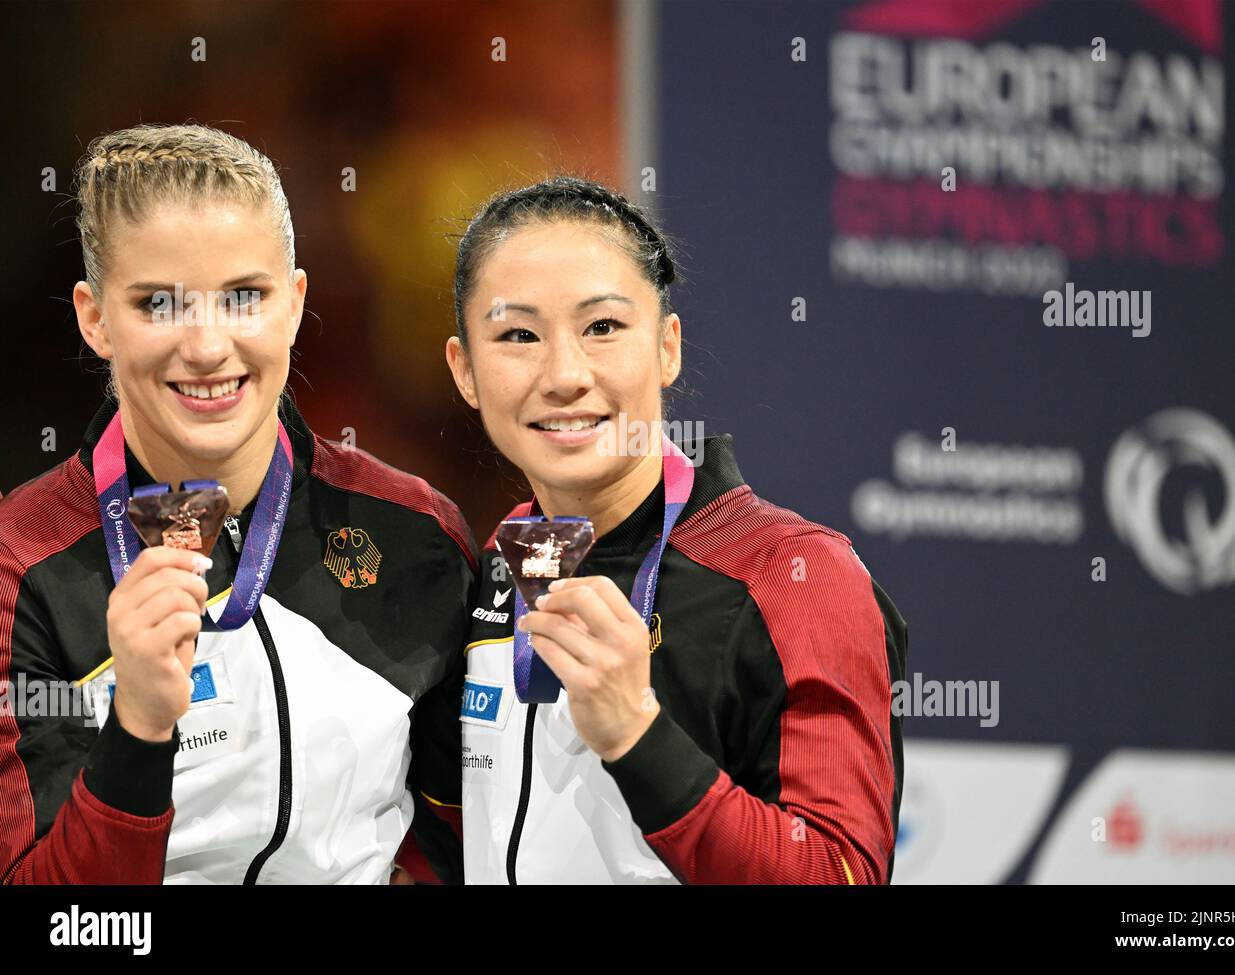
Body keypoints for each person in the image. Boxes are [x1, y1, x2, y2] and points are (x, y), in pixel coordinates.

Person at [0, 124, 472, 884]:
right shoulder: (19, 569)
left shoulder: (414, 530)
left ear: (294, 302)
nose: (208, 346)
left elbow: (475, 837)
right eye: (159, 303)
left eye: (244, 296)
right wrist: (139, 729)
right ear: (94, 319)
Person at [435, 175, 907, 884]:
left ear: (666, 347)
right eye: (518, 335)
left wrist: (638, 736)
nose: (564, 374)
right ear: (465, 371)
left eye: (602, 327)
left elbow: (837, 871)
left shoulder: (794, 575)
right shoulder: (495, 569)